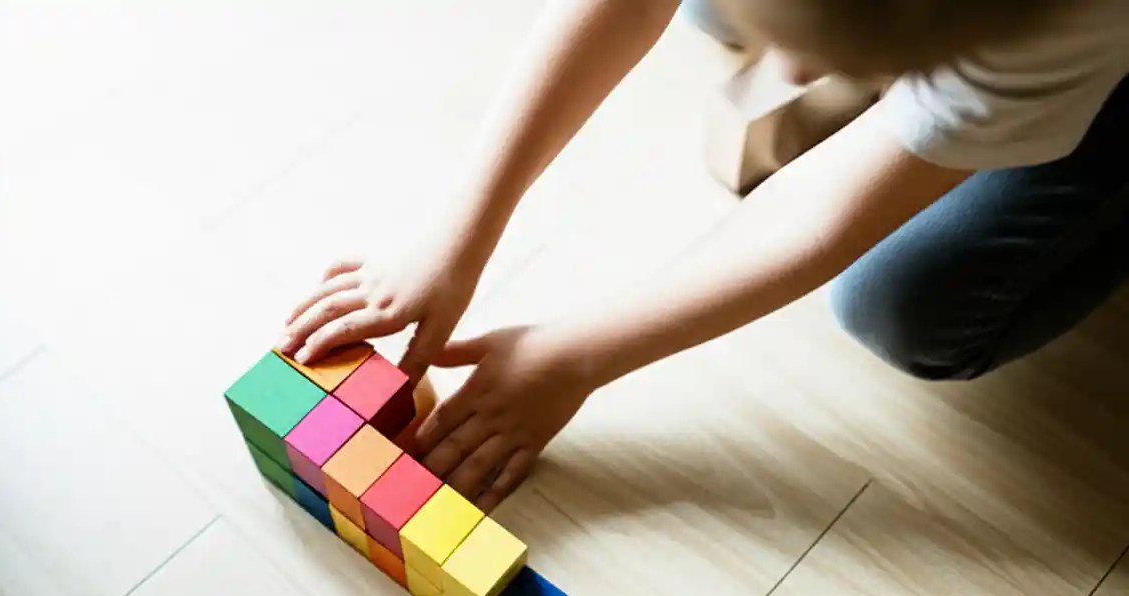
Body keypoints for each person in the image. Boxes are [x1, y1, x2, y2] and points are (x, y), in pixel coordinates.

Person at [279, 0, 1129, 511]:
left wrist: (574, 357)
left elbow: (818, 217)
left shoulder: (1063, 22)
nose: (784, 70)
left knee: (908, 308)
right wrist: (457, 233)